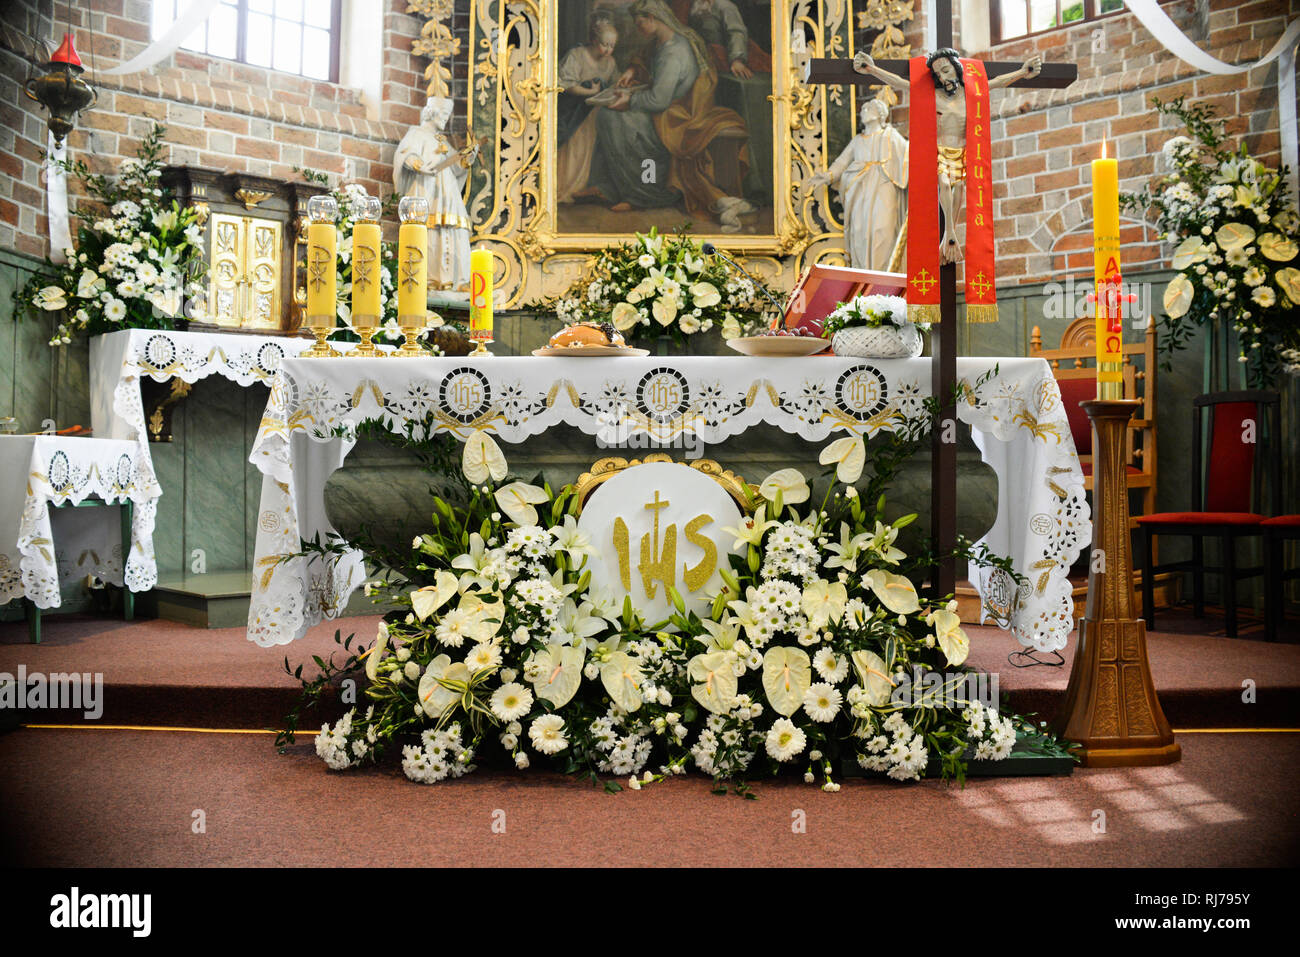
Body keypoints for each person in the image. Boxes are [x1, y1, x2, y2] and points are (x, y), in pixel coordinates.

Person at [853, 47, 1041, 264]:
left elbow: (997, 82)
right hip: (940, 151)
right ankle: (949, 231)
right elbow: (900, 83)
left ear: (956, 68)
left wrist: (1023, 72)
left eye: (945, 70)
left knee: (959, 187)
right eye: (939, 75)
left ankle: (949, 236)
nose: (943, 77)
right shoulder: (934, 96)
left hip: (962, 152)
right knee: (943, 183)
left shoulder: (972, 92)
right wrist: (871, 68)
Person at [587, 0, 753, 229]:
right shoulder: (665, 39)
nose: (639, 29)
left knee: (613, 118)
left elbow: (658, 100)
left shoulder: (674, 52)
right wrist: (632, 69)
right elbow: (645, 57)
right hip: (668, 107)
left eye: (640, 23)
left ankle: (643, 195)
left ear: (654, 18)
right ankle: (607, 186)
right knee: (608, 114)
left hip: (679, 116)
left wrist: (630, 100)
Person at [802, 97, 907, 271]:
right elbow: (842, 163)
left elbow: (909, 156)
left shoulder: (890, 135)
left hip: (884, 187)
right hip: (860, 192)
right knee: (861, 234)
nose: (863, 112)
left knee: (883, 231)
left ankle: (884, 275)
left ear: (880, 114)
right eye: (863, 109)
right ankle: (865, 275)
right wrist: (827, 176)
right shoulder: (858, 140)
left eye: (868, 109)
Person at [392, 97, 479, 291]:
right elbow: (404, 154)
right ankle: (430, 278)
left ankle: (455, 280)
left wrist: (466, 159)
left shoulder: (442, 140)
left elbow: (455, 165)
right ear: (432, 112)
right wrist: (419, 165)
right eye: (444, 114)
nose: (446, 120)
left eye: (448, 116)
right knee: (430, 228)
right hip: (426, 188)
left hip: (447, 191)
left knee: (454, 227)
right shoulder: (417, 133)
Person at [557, 16, 621, 204]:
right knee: (576, 148)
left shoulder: (610, 62)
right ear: (594, 40)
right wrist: (589, 91)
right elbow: (565, 84)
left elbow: (613, 83)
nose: (609, 50)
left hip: (594, 113)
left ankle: (583, 188)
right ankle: (565, 188)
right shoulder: (577, 55)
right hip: (573, 111)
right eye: (605, 44)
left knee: (593, 149)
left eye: (612, 46)